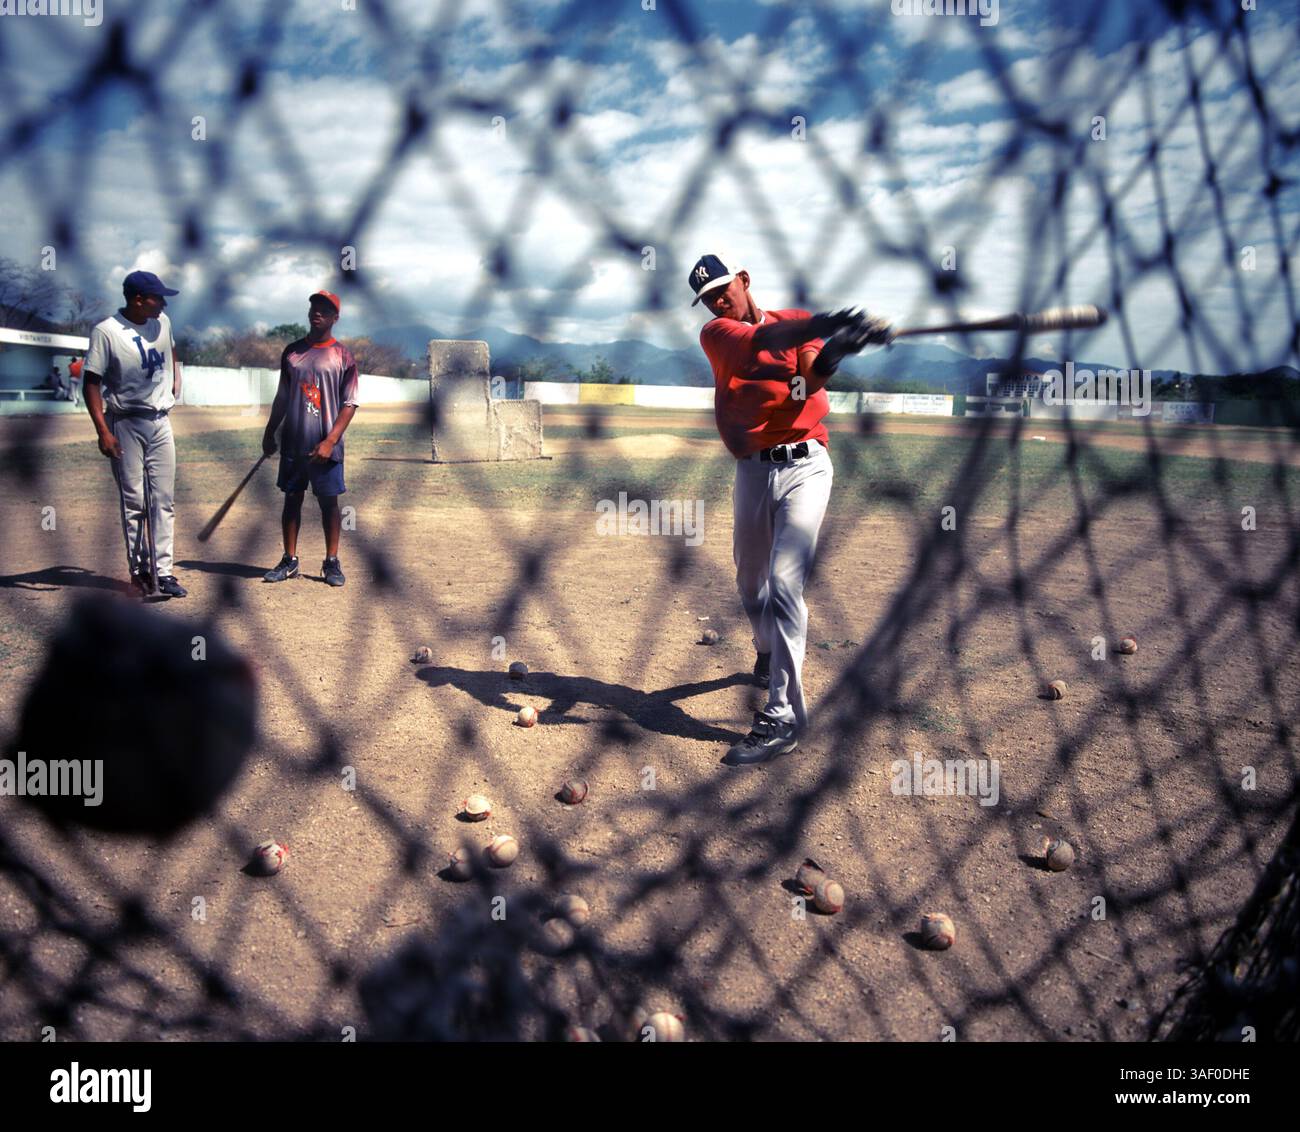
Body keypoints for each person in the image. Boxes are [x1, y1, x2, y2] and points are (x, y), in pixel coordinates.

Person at [689, 253, 890, 760]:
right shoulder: (718, 334)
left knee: (783, 583)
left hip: (807, 465)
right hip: (753, 469)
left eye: (722, 288)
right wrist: (833, 322)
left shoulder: (796, 324)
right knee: (749, 579)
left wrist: (838, 346)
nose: (717, 300)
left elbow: (808, 381)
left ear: (744, 280)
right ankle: (764, 652)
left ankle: (782, 718)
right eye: (707, 297)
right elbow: (761, 344)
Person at [83, 270, 188, 599]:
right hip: (125, 422)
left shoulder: (163, 321)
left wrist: (175, 380)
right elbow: (91, 383)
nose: (164, 303)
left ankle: (164, 571)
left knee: (163, 500)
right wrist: (103, 431)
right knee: (134, 502)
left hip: (159, 421)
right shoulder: (107, 332)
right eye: (158, 298)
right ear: (138, 299)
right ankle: (140, 571)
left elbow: (170, 350)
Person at [261, 290, 359, 587]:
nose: (318, 312)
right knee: (292, 499)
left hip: (326, 445)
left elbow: (350, 403)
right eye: (314, 307)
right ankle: (289, 560)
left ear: (335, 318)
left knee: (329, 502)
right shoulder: (292, 352)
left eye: (325, 309)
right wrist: (270, 430)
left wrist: (330, 441)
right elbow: (282, 396)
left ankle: (331, 562)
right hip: (294, 441)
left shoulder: (343, 356)